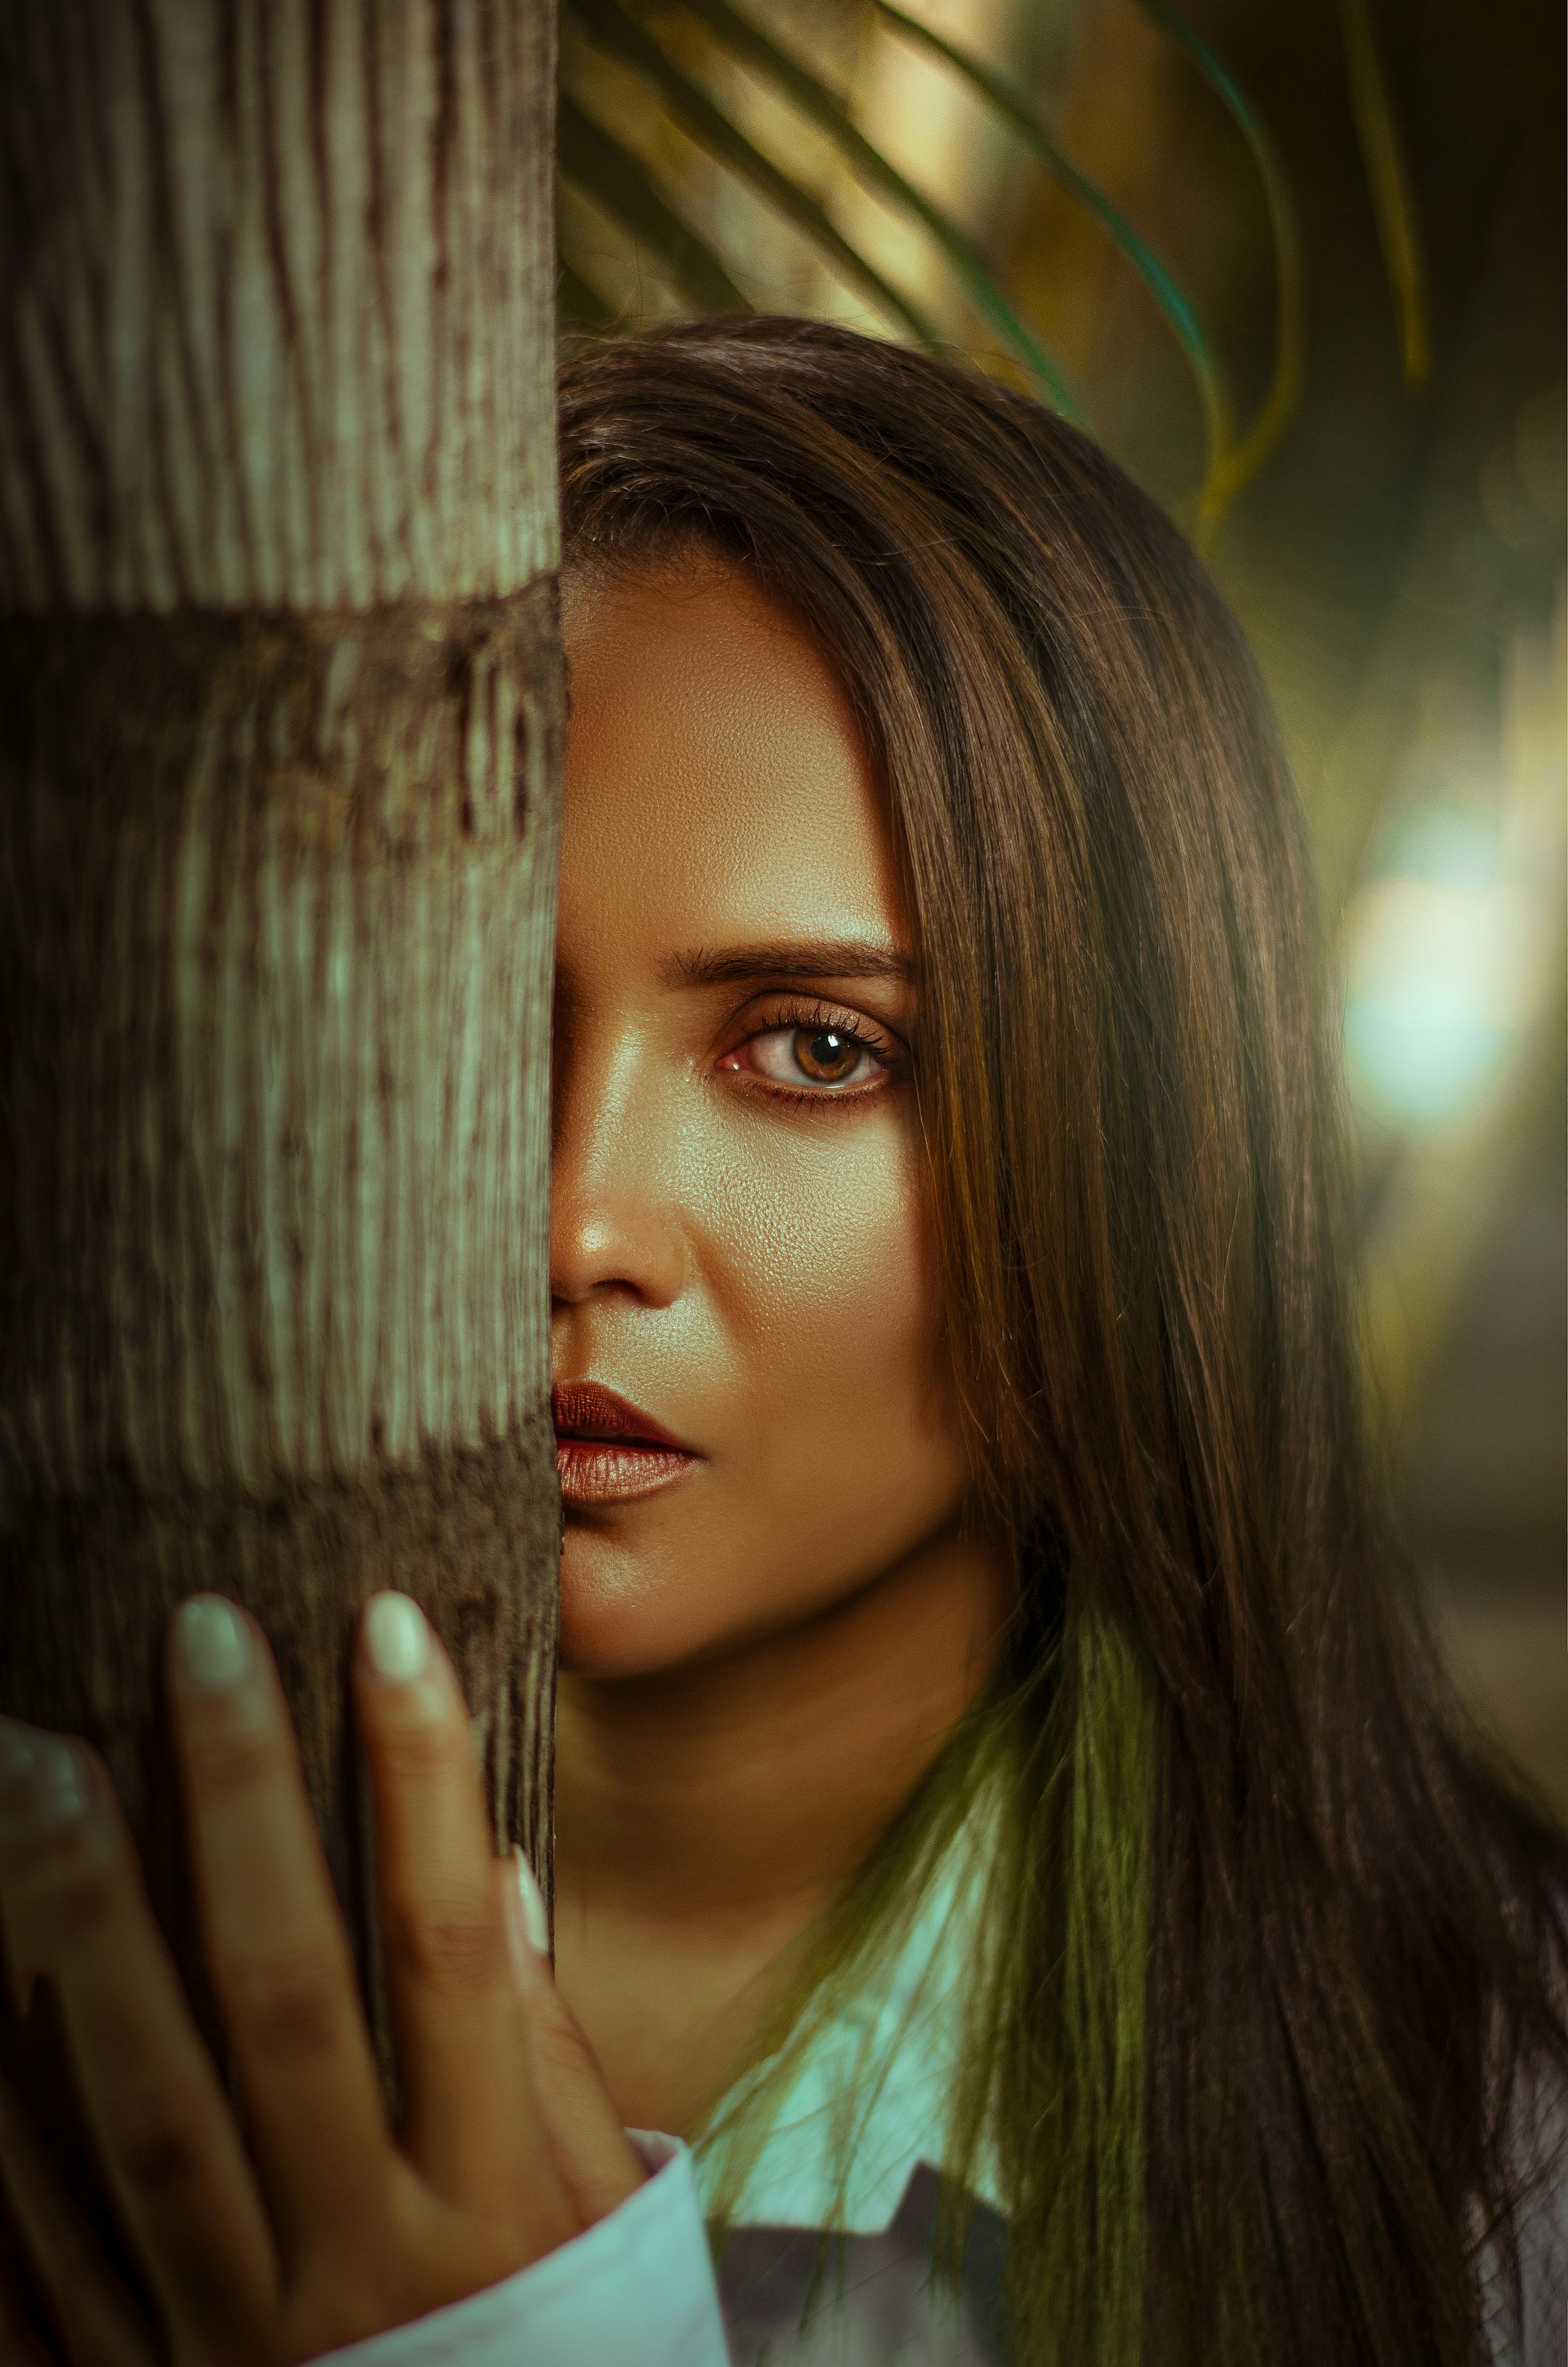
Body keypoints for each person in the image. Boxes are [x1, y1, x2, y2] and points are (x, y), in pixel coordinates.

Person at [0, 316, 1563, 2367]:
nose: (572, 1220)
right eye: (477, 1013)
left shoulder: (1491, 2134)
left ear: (1141, 1147)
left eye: (817, 1048)